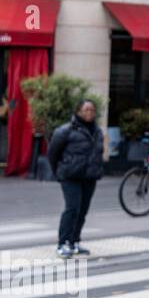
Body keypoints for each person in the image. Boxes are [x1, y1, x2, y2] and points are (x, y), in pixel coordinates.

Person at [47, 99, 104, 258]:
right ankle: (62, 243)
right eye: (86, 109)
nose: (89, 113)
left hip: (89, 176)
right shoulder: (65, 130)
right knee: (72, 208)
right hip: (70, 175)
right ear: (78, 111)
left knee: (83, 211)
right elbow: (52, 153)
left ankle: (74, 241)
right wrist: (58, 172)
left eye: (92, 110)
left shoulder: (97, 131)